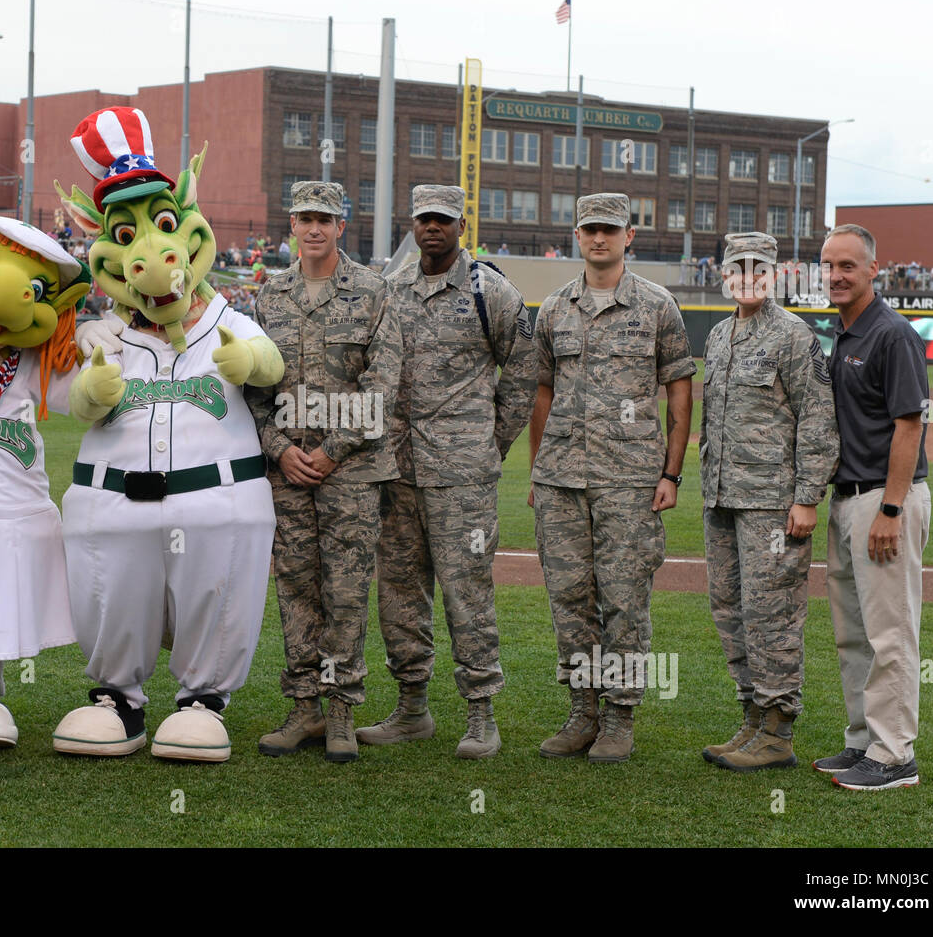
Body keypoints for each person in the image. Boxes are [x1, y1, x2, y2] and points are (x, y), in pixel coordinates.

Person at [362, 184, 535, 759]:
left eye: (444, 220)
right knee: (400, 594)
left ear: (462, 225)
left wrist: (490, 443)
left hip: (462, 476)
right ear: (411, 225)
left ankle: (481, 714)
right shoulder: (391, 291)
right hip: (398, 472)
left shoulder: (493, 292)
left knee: (467, 593)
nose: (432, 228)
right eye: (423, 219)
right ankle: (412, 707)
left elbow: (523, 373)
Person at [529, 193, 695, 763]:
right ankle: (582, 712)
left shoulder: (656, 306)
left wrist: (671, 472)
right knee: (570, 599)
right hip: (561, 480)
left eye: (609, 229)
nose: (598, 238)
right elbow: (542, 392)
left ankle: (620, 718)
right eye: (588, 229)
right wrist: (537, 470)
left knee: (625, 601)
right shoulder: (553, 308)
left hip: (630, 480)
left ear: (629, 237)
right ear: (576, 235)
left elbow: (678, 387)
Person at [247, 181, 401, 764]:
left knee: (344, 589)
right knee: (295, 586)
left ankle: (340, 710)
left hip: (352, 471)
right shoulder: (269, 298)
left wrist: (332, 450)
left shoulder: (372, 291)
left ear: (342, 226)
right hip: (288, 471)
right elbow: (253, 391)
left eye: (325, 219)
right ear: (291, 224)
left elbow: (382, 384)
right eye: (305, 218)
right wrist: (280, 449)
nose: (314, 228)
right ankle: (304, 708)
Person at [699, 232, 838, 772]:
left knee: (772, 615)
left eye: (759, 269)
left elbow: (819, 422)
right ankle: (752, 717)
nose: (748, 277)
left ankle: (779, 730)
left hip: (772, 506)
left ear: (775, 274)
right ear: (725, 275)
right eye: (738, 268)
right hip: (722, 498)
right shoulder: (717, 335)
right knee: (730, 610)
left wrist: (807, 499)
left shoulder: (793, 336)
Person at [816, 223, 931, 791]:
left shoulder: (892, 334)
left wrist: (890, 508)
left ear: (872, 272)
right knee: (854, 633)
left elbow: (910, 424)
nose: (836, 275)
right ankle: (863, 741)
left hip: (884, 501)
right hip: (847, 499)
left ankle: (894, 756)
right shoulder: (845, 332)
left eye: (848, 266)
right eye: (829, 265)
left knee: (891, 633)